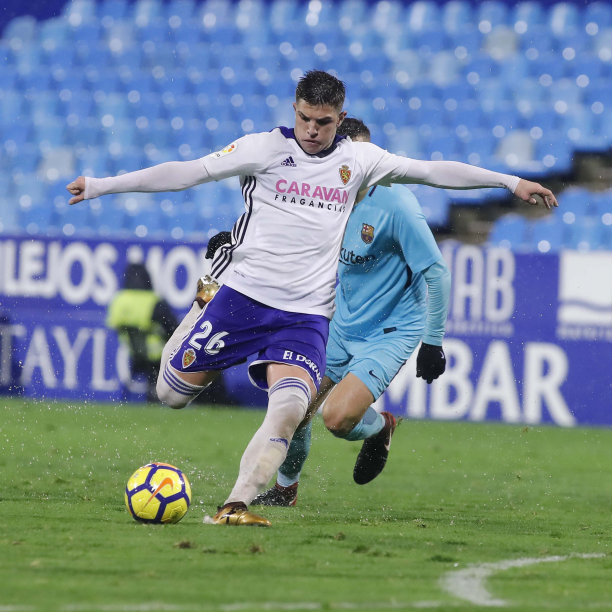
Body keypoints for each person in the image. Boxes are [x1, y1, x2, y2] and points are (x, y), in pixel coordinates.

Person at [66, 70, 557, 527]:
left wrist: (509, 181)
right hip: (243, 297)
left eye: (324, 122)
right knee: (170, 395)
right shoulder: (263, 149)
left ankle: (236, 506)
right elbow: (187, 172)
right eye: (304, 118)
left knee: (288, 409)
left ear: (339, 120)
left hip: (305, 316)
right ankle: (202, 298)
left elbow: (432, 171)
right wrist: (102, 186)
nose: (312, 130)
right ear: (294, 110)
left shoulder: (360, 160)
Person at [251, 118, 449, 506]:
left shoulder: (397, 206)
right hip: (341, 323)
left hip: (390, 330)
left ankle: (378, 430)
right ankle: (285, 490)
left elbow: (437, 273)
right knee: (292, 409)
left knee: (337, 419)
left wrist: (433, 341)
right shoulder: (324, 195)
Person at [105, 262, 178, 402]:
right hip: (159, 355)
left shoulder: (118, 301)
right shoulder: (154, 302)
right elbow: (174, 329)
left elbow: (115, 326)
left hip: (134, 354)